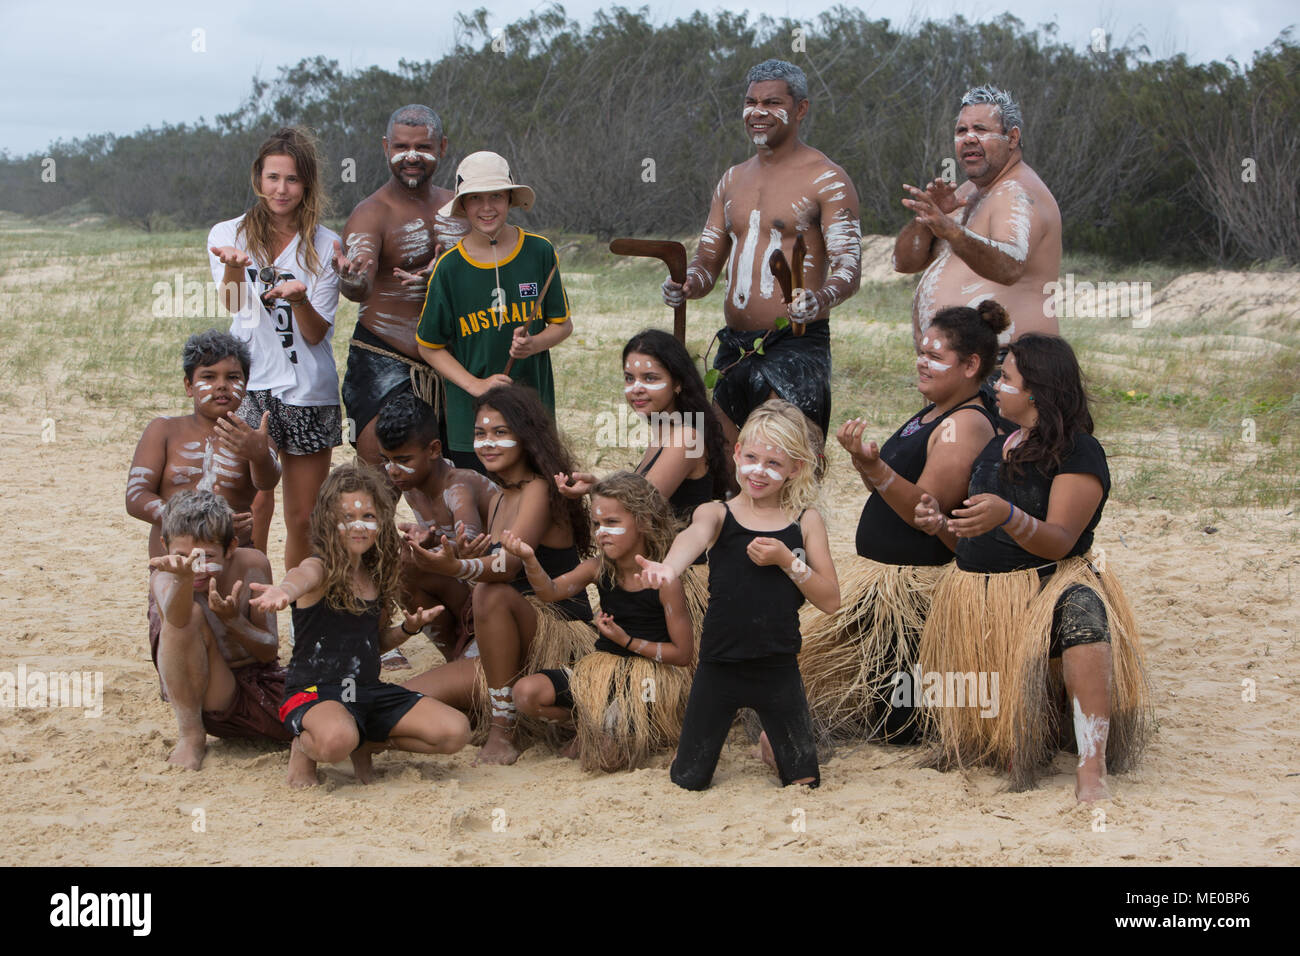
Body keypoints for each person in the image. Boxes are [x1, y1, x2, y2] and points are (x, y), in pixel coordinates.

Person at [913, 334, 1152, 800]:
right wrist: (940, 524)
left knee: (1083, 611)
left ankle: (1091, 763)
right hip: (981, 593)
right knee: (999, 747)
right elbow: (969, 539)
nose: (996, 387)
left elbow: (1060, 542)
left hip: (1048, 582)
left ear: (1038, 392)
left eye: (1006, 378)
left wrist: (1010, 515)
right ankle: (1013, 731)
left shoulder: (1078, 452)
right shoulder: (995, 447)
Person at [798, 301, 1006, 743]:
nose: (921, 362)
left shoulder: (964, 424)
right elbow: (892, 489)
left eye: (934, 356)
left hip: (913, 592)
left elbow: (925, 507)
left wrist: (875, 470)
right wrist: (865, 461)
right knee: (885, 708)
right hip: (884, 584)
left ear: (971, 365)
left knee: (901, 723)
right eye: (920, 351)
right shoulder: (934, 410)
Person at [637, 400, 840, 791]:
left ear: (795, 469)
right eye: (751, 457)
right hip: (719, 665)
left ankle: (771, 740)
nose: (758, 471)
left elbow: (831, 600)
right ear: (735, 453)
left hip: (778, 667)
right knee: (689, 778)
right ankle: (762, 740)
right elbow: (692, 537)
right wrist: (669, 568)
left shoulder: (804, 521)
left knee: (803, 780)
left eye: (774, 463)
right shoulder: (716, 512)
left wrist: (787, 560)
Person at [663, 59, 862, 447]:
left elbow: (848, 270)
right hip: (733, 345)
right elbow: (706, 263)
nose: (757, 112)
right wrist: (685, 284)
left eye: (772, 103)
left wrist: (817, 299)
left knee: (783, 458)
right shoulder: (733, 179)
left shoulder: (826, 178)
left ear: (800, 109)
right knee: (724, 457)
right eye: (751, 101)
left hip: (795, 344)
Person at [400, 385, 593, 766]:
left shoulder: (538, 489)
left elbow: (509, 566)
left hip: (556, 639)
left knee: (490, 593)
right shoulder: (502, 495)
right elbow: (484, 565)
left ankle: (504, 731)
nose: (487, 443)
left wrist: (459, 567)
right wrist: (442, 553)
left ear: (526, 436)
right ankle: (489, 705)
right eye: (480, 434)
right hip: (509, 646)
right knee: (407, 697)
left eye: (500, 433)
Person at [248, 462, 471, 789]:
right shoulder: (320, 566)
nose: (359, 526)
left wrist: (408, 630)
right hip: (312, 694)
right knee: (336, 739)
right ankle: (304, 745)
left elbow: (372, 646)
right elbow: (302, 576)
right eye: (346, 517)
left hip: (364, 692)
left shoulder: (375, 575)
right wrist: (284, 590)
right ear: (328, 521)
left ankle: (367, 741)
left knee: (455, 732)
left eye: (367, 516)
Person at [208, 126, 342, 571]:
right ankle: (249, 616)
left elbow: (316, 333)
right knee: (250, 512)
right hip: (251, 387)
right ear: (257, 179)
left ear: (307, 185)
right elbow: (232, 306)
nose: (281, 189)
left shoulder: (325, 244)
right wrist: (232, 269)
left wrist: (300, 298)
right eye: (272, 178)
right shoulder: (228, 234)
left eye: (292, 179)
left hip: (308, 390)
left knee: (303, 517)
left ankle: (300, 618)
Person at [507, 472, 695, 771]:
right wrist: (530, 560)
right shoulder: (597, 568)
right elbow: (549, 592)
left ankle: (628, 726)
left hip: (648, 681)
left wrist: (628, 642)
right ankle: (590, 721)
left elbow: (683, 655)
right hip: (601, 672)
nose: (601, 533)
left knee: (606, 758)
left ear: (643, 522)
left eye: (612, 523)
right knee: (526, 694)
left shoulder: (664, 582)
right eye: (596, 524)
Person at [416, 152, 573, 473]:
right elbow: (428, 346)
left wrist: (534, 344)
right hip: (472, 422)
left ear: (511, 199)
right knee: (480, 513)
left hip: (532, 414)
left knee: (535, 506)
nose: (486, 208)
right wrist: (475, 385)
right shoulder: (449, 268)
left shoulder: (539, 251)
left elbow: (563, 325)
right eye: (475, 199)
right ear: (463, 205)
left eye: (496, 197)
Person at [334, 105, 469, 466]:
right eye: (400, 147)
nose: (411, 156)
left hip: (454, 364)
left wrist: (446, 274)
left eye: (422, 147)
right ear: (386, 148)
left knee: (459, 485)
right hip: (385, 361)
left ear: (441, 147)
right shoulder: (372, 212)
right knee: (380, 483)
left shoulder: (461, 209)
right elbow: (360, 283)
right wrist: (351, 280)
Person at [893, 85, 1062, 346]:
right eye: (961, 131)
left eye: (981, 130)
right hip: (966, 369)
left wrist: (950, 229)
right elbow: (903, 263)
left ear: (1013, 138)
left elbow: (1009, 266)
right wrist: (927, 220)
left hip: (1011, 365)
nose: (969, 138)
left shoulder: (1017, 192)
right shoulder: (967, 191)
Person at [147, 491, 291, 770]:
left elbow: (268, 651)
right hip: (198, 694)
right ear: (165, 546)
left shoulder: (252, 564)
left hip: (253, 681)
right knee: (188, 612)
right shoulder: (165, 575)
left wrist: (232, 620)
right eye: (182, 556)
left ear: (230, 547)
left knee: (320, 711)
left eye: (205, 556)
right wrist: (183, 581)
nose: (194, 566)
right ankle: (190, 735)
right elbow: (176, 620)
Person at [127, 330, 280, 557]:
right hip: (174, 560)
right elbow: (136, 497)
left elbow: (267, 481)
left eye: (232, 377)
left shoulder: (255, 440)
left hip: (232, 556)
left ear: (246, 386)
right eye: (208, 377)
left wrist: (259, 455)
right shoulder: (163, 430)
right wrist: (198, 521)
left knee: (257, 562)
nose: (221, 385)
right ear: (189, 386)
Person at [374, 390, 500, 664]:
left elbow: (473, 544)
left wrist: (440, 547)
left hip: (501, 590)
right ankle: (456, 655)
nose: (393, 470)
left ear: (433, 449)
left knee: (412, 561)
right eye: (386, 460)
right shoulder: (413, 488)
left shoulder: (459, 486)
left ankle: (477, 650)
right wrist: (427, 546)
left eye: (403, 460)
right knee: (400, 564)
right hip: (468, 585)